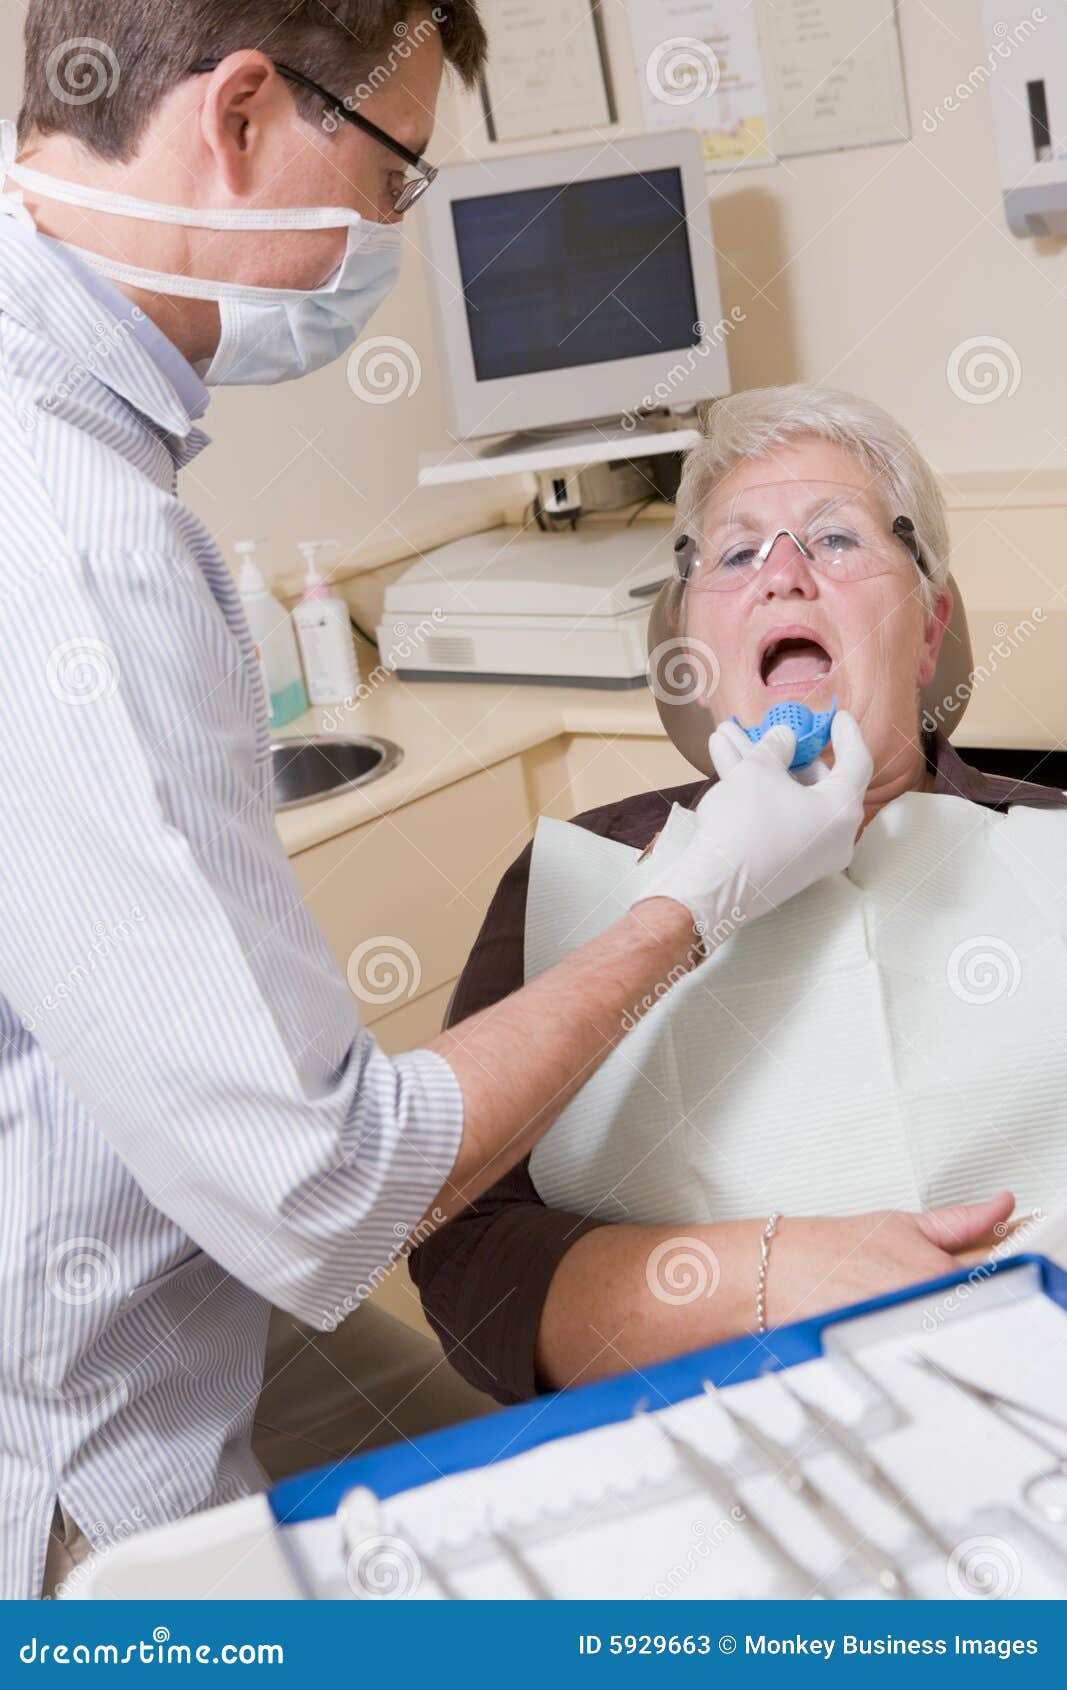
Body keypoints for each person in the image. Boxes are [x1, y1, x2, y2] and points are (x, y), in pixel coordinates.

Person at [0, 6, 875, 1597]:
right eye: (399, 175)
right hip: (65, 1494)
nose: (396, 236)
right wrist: (695, 898)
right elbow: (346, 1198)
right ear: (247, 115)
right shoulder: (71, 536)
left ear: (937, 611)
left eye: (841, 539)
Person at [410, 384, 1067, 1406]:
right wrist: (763, 1278)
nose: (783, 576)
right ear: (693, 648)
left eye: (836, 539)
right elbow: (466, 1265)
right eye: (733, 552)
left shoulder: (1051, 849)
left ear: (929, 622)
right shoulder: (576, 877)